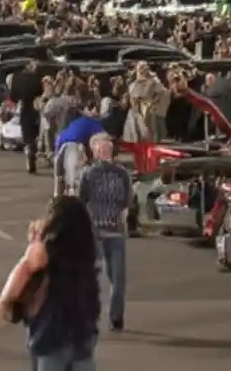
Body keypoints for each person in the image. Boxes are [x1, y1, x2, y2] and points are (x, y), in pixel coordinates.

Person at [0, 196, 100, 370]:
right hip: (83, 333)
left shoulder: (45, 252)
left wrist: (35, 241)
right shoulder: (88, 256)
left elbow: (22, 276)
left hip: (50, 334)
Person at [78, 133, 133, 332]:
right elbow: (80, 200)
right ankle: (90, 316)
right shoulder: (88, 174)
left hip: (116, 231)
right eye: (102, 150)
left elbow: (127, 200)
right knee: (92, 277)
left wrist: (122, 216)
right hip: (94, 232)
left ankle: (116, 317)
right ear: (95, 152)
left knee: (118, 278)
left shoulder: (121, 174)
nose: (106, 153)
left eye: (108, 149)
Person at [10, 61, 43, 174]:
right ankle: (34, 149)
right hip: (35, 107)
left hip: (24, 107)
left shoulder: (16, 78)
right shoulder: (36, 77)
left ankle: (29, 151)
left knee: (27, 134)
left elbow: (13, 97)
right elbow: (40, 92)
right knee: (36, 132)